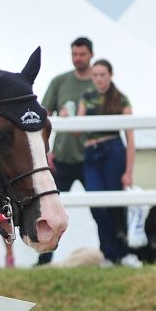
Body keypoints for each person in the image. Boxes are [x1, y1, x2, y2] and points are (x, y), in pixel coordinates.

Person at [35, 37, 94, 266]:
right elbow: (44, 116)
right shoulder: (60, 82)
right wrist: (45, 151)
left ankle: (112, 254)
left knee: (102, 209)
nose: (78, 58)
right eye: (75, 54)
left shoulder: (98, 82)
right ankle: (44, 258)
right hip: (62, 158)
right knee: (50, 210)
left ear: (91, 55)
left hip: (91, 158)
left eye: (82, 54)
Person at [78, 59, 136, 266]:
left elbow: (130, 137)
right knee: (96, 205)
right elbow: (77, 130)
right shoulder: (87, 97)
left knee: (115, 205)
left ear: (110, 75)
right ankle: (109, 252)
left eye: (103, 74)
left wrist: (129, 171)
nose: (99, 79)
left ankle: (121, 253)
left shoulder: (120, 99)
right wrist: (67, 116)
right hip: (91, 154)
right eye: (95, 75)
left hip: (113, 151)